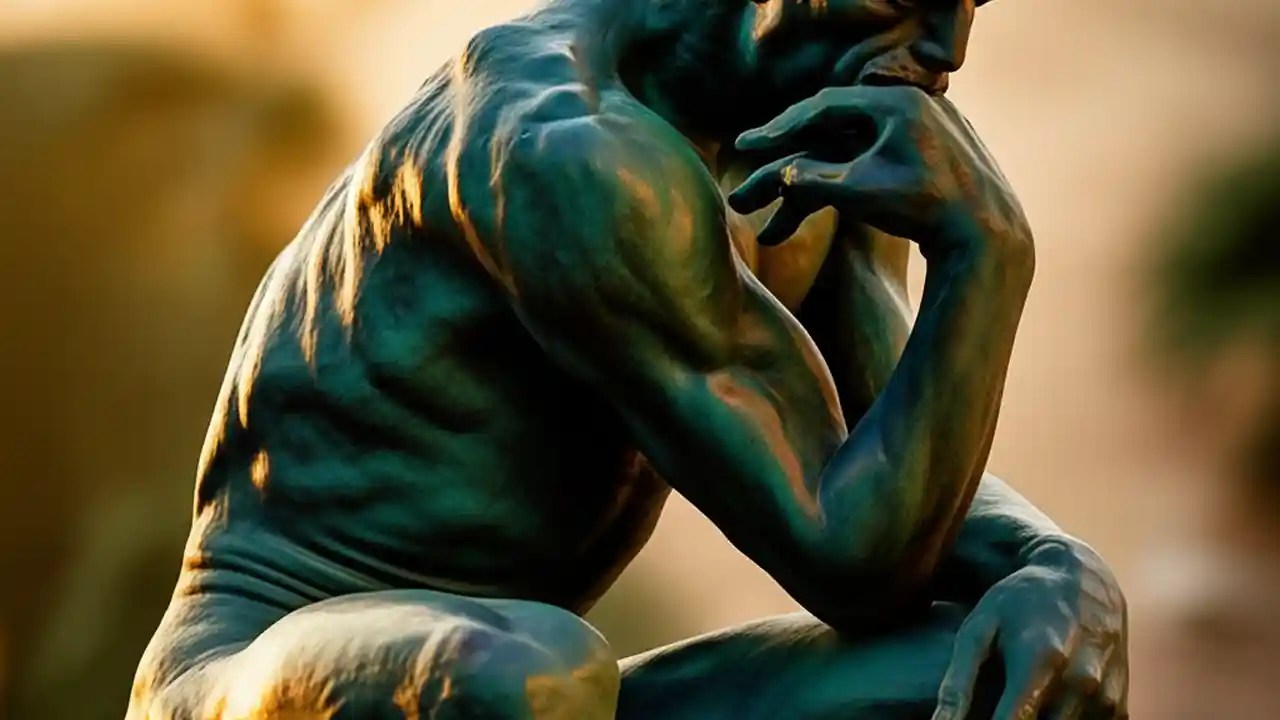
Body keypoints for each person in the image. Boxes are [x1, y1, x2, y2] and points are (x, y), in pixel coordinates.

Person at [127, 1, 1129, 718]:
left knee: (996, 666)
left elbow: (903, 483)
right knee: (529, 674)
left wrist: (1055, 567)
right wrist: (988, 256)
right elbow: (853, 557)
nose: (948, 49)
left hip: (543, 683)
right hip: (261, 671)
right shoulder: (566, 147)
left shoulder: (826, 138)